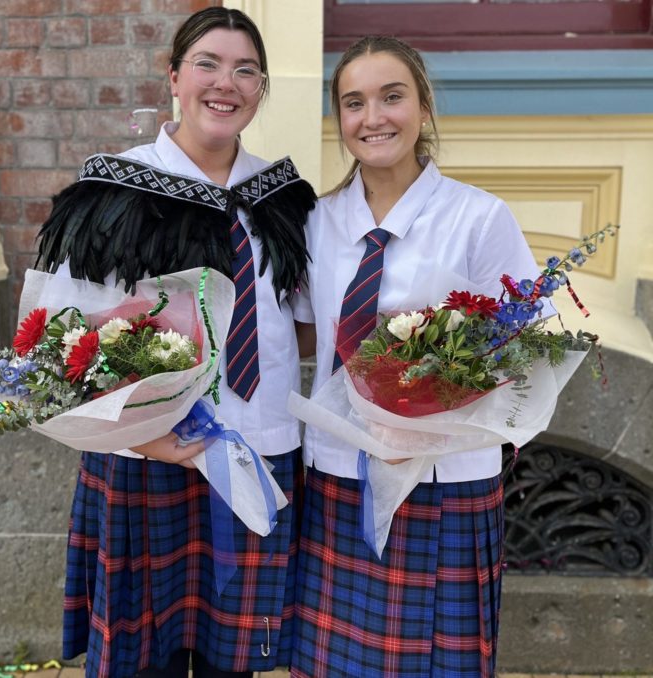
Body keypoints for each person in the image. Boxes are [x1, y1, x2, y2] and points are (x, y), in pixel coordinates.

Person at [36, 8, 315, 678]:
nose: (227, 83)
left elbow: (302, 321)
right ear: (174, 76)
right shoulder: (114, 190)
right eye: (208, 64)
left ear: (262, 88)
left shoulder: (282, 197)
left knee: (236, 664)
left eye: (246, 70)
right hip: (148, 459)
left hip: (257, 452)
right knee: (143, 660)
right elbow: (57, 339)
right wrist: (143, 433)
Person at [291, 36, 544, 677]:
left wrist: (427, 424)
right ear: (340, 121)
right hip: (336, 476)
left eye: (391, 96)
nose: (373, 117)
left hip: (442, 484)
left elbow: (521, 353)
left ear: (424, 108)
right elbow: (300, 338)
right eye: (354, 103)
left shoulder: (481, 220)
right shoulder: (316, 225)